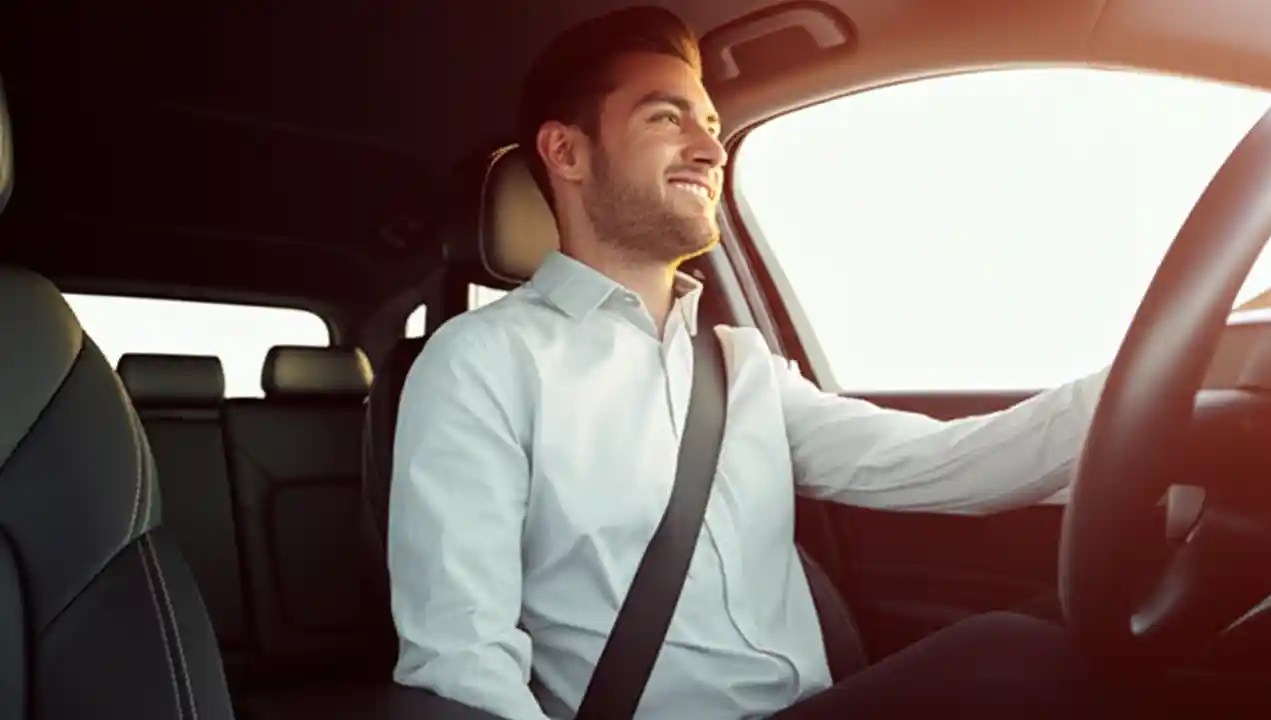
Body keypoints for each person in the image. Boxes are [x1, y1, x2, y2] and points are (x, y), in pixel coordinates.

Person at [386, 6, 1112, 719]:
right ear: (567, 153)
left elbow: (946, 463)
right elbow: (463, 659)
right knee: (1010, 661)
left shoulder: (741, 365)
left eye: (710, 124)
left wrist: (1138, 398)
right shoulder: (482, 361)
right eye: (666, 118)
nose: (711, 149)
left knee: (1083, 626)